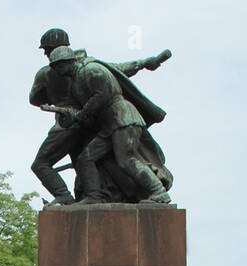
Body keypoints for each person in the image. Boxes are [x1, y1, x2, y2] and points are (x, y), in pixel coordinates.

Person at [29, 32, 171, 204]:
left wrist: (79, 114)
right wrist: (144, 63)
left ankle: (158, 192)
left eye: (47, 51)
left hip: (111, 120)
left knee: (125, 159)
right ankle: (93, 196)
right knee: (86, 159)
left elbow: (101, 94)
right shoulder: (81, 70)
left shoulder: (86, 70)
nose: (56, 69)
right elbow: (119, 69)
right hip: (102, 124)